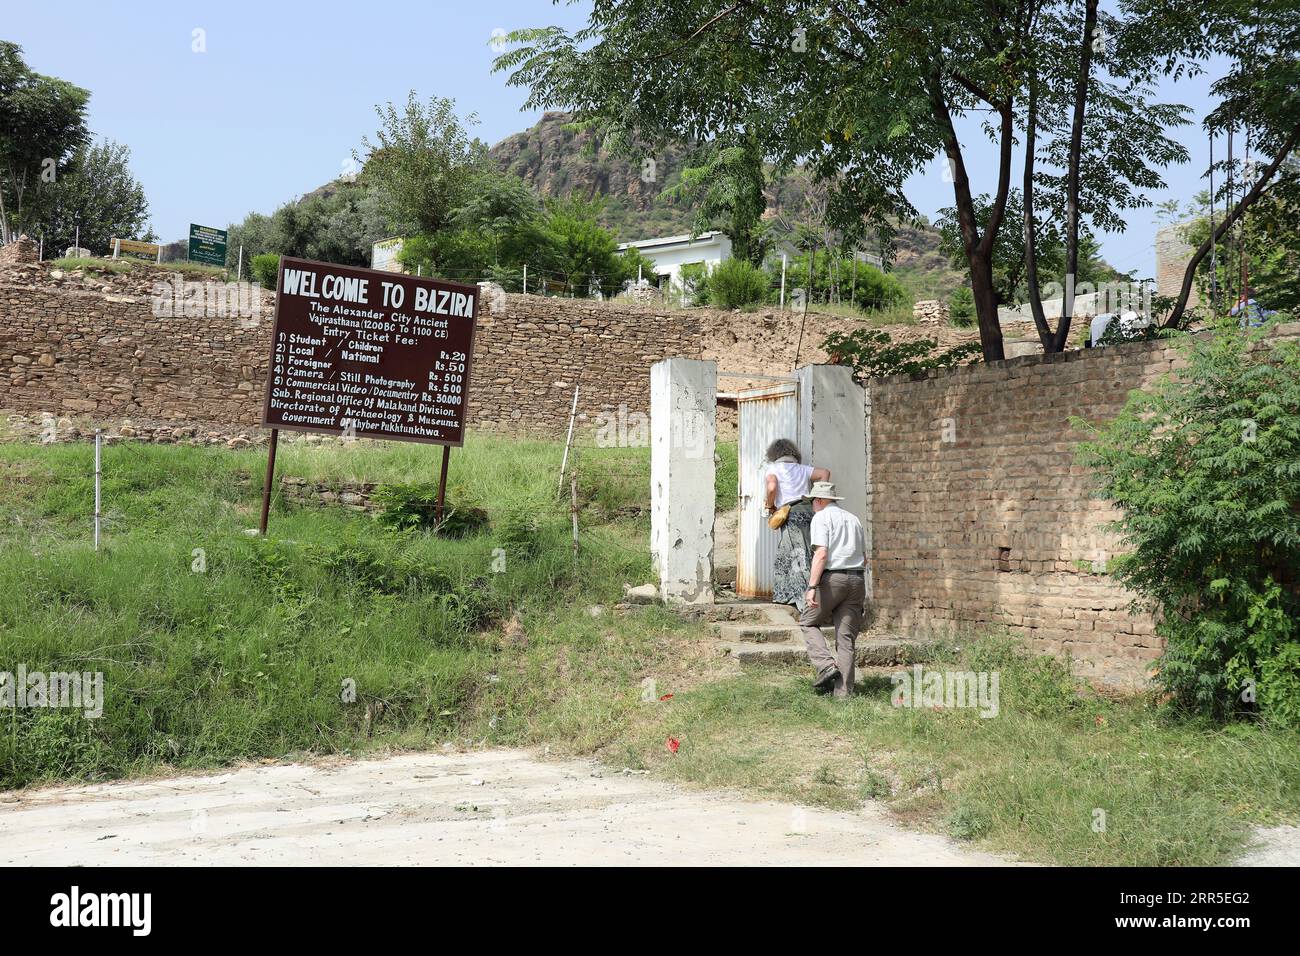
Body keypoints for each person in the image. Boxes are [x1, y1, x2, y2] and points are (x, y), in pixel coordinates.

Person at [798, 481, 867, 697]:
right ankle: (844, 694)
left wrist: (812, 586)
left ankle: (826, 666)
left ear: (819, 500)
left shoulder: (821, 518)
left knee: (808, 621)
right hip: (857, 580)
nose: (812, 507)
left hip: (832, 579)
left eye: (812, 502)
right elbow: (864, 557)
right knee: (846, 638)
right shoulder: (854, 519)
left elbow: (821, 554)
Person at [763, 439, 830, 612]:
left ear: (774, 454)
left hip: (790, 514)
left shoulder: (773, 469)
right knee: (808, 552)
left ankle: (799, 598)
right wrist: (819, 498)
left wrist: (770, 505)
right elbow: (825, 473)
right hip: (810, 511)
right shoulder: (802, 469)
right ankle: (808, 595)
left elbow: (771, 487)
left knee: (794, 555)